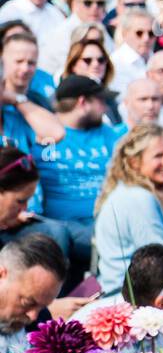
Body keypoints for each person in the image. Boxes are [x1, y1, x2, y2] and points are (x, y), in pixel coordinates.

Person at [35, 77, 127, 266]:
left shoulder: (107, 133)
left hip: (106, 217)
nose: (106, 108)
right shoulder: (44, 134)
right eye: (101, 101)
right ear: (83, 103)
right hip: (62, 223)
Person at [93, 124, 163, 296]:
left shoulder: (133, 191)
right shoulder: (139, 198)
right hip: (128, 298)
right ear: (135, 162)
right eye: (158, 156)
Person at [0, 233, 67, 353]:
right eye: (27, 302)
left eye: (43, 306)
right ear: (1, 275)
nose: (33, 316)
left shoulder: (42, 320)